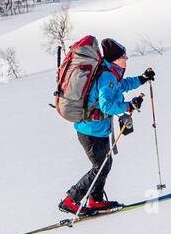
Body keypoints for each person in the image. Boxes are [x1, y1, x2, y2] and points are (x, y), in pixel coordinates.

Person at [58, 38, 155, 215]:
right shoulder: (107, 76)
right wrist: (128, 106)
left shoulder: (111, 73)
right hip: (90, 131)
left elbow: (121, 86)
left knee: (105, 164)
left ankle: (95, 200)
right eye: (124, 56)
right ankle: (70, 200)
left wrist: (142, 79)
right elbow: (106, 106)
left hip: (97, 130)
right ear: (116, 59)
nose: (126, 59)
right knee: (100, 166)